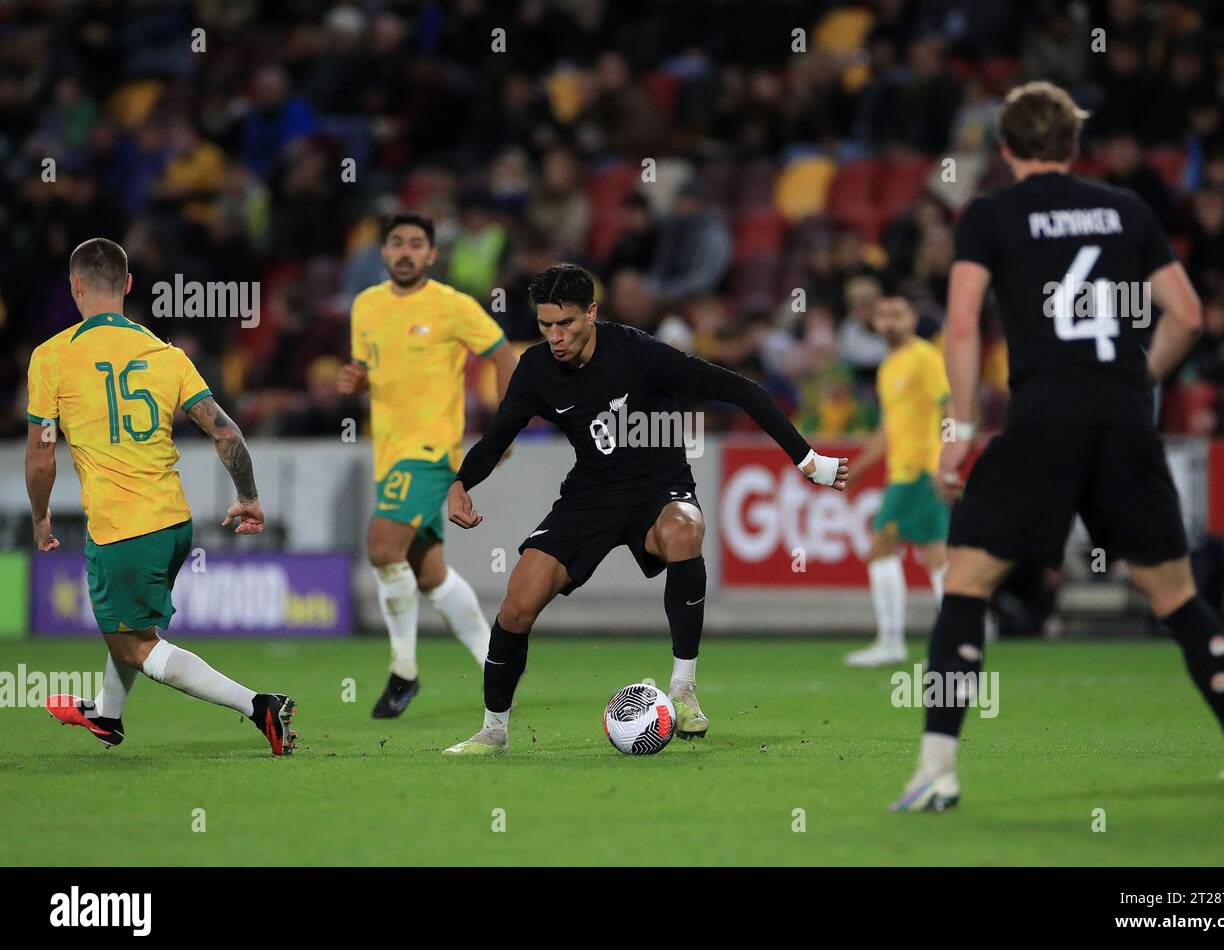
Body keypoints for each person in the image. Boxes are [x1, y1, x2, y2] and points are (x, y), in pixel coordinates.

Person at [893, 82, 1224, 812]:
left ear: (1006, 148)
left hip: (1043, 422)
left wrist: (960, 429)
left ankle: (937, 772)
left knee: (968, 584)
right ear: (1073, 144)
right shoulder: (1127, 209)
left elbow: (966, 322)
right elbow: (1190, 314)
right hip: (1124, 425)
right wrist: (1139, 380)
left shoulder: (990, 214)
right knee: (1179, 598)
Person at [440, 264, 848, 755]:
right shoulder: (537, 370)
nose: (555, 336)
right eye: (546, 325)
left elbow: (742, 390)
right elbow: (497, 437)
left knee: (684, 530)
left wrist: (807, 460)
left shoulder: (640, 354)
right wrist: (463, 481)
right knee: (517, 605)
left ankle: (683, 687)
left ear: (592, 312)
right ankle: (494, 730)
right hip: (590, 496)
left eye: (565, 323)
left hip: (659, 487)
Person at [29, 238, 295, 754]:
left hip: (121, 528)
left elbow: (41, 456)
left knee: (134, 645)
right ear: (128, 285)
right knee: (130, 624)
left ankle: (259, 705)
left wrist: (41, 517)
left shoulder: (51, 357)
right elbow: (226, 433)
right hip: (173, 522)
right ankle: (106, 714)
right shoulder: (167, 354)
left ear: (74, 287)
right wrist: (248, 496)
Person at [339, 213, 518, 719]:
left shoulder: (451, 306)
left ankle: (404, 671)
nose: (405, 252)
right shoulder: (366, 306)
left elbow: (506, 357)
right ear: (384, 252)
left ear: (432, 255)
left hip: (431, 452)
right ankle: (495, 661)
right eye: (396, 243)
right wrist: (356, 384)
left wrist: (503, 430)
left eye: (416, 244)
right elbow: (371, 376)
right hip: (388, 453)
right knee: (429, 573)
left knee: (381, 546)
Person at [843, 296, 951, 667]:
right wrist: (856, 470)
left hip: (920, 469)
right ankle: (960, 636)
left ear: (912, 319)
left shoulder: (924, 356)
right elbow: (889, 429)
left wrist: (948, 458)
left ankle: (892, 642)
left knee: (881, 547)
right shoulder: (888, 366)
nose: (889, 322)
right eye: (883, 315)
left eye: (898, 315)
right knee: (935, 552)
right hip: (906, 470)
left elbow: (948, 405)